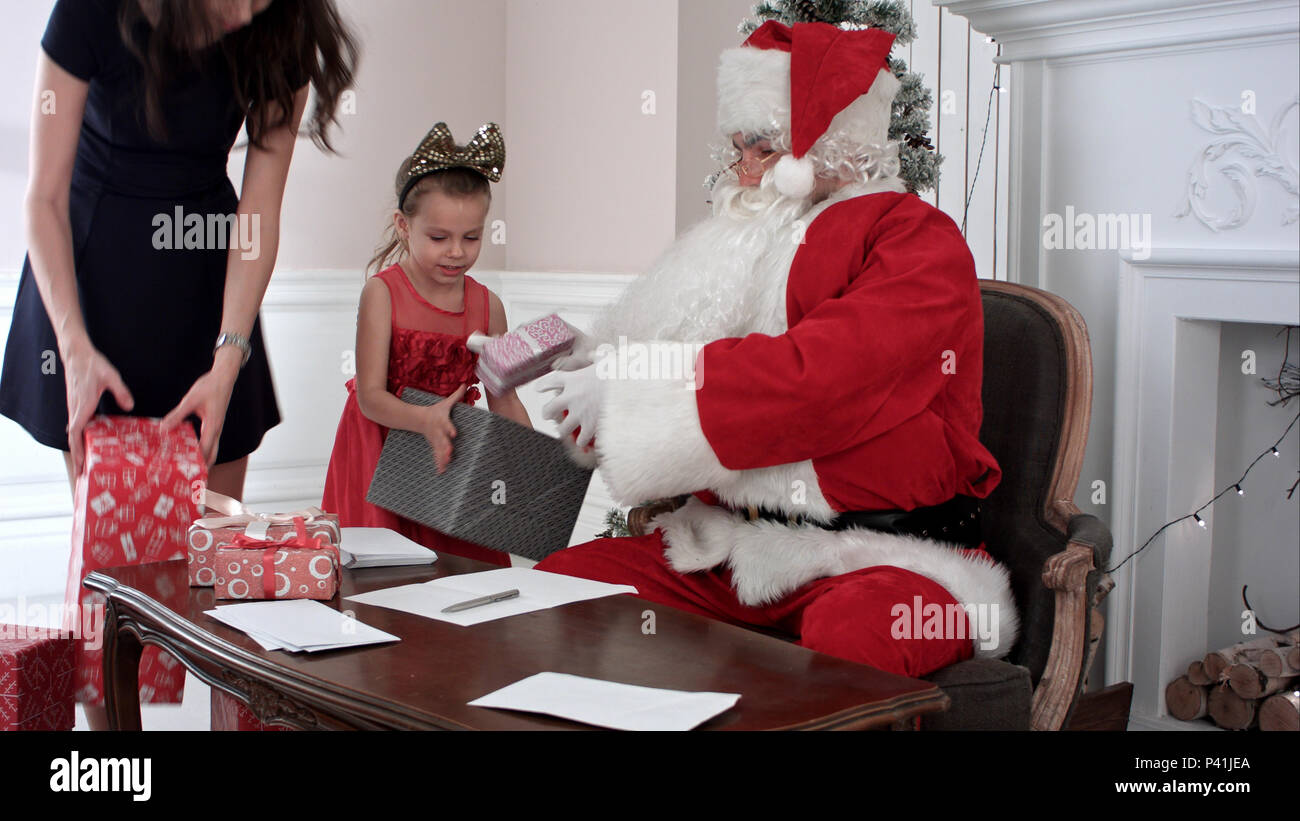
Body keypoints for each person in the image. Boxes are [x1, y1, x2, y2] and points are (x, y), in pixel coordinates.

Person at [534, 21, 1018, 678]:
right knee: (565, 587)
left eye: (759, 148)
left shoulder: (920, 243)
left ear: (824, 147)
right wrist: (599, 378)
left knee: (850, 640)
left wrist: (638, 387)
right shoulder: (744, 244)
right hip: (732, 549)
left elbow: (820, 378)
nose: (743, 172)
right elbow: (675, 350)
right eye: (738, 150)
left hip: (885, 557)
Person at [0, 0, 357, 729]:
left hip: (205, 288)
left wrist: (230, 355)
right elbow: (40, 196)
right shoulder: (91, 12)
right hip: (88, 286)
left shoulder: (281, 28)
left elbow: (259, 210)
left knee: (210, 577)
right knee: (117, 585)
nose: (243, 11)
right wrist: (72, 345)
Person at [321, 122, 532, 568]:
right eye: (439, 238)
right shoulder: (382, 294)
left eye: (472, 237)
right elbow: (370, 397)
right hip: (379, 450)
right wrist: (424, 419)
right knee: (386, 577)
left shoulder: (487, 306)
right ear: (404, 226)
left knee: (463, 570)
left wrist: (532, 460)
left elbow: (504, 397)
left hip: (452, 453)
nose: (457, 251)